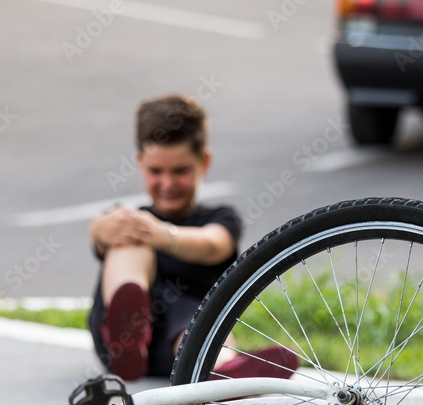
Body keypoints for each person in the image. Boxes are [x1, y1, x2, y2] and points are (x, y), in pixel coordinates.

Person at [87, 94, 297, 381]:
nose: (168, 183)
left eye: (180, 171)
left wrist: (164, 235)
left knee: (194, 315)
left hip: (186, 347)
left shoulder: (220, 218)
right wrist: (100, 227)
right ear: (140, 163)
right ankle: (125, 328)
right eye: (156, 171)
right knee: (131, 235)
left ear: (204, 161)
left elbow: (214, 244)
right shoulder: (133, 221)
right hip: (122, 351)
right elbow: (101, 229)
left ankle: (222, 369)